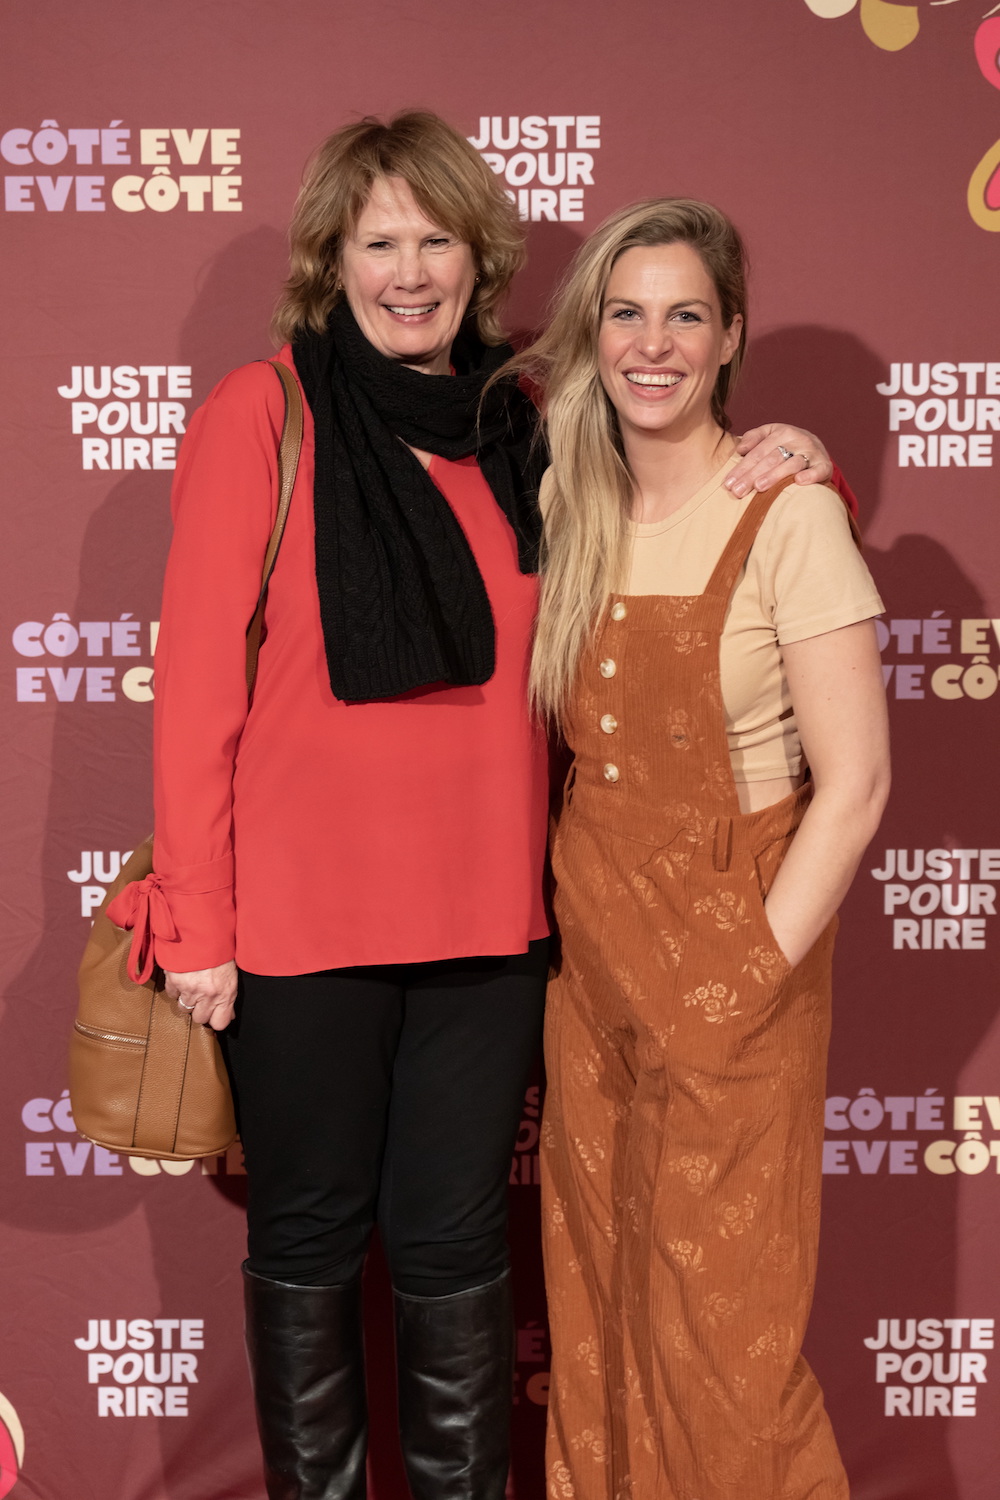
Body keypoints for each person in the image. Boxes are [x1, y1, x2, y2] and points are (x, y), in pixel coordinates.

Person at [108, 111, 839, 1500]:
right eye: (377, 240)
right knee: (313, 1237)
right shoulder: (260, 414)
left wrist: (801, 459)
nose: (408, 269)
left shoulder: (528, 417)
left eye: (435, 238)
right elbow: (197, 685)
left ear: (476, 256)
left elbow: (695, 499)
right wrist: (197, 917)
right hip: (303, 925)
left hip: (489, 924)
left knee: (451, 1249)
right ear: (332, 259)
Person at [520, 199, 890, 1500]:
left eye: (686, 314)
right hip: (594, 974)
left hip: (736, 966)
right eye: (627, 312)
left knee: (726, 1335)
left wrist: (742, 981)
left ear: (731, 335)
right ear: (594, 333)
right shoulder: (566, 494)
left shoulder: (792, 516)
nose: (653, 343)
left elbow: (854, 788)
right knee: (601, 1305)